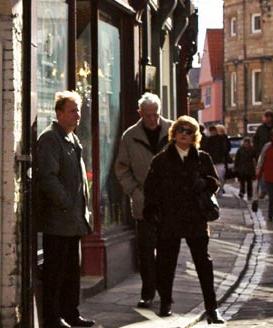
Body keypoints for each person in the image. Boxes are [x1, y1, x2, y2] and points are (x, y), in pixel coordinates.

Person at [142, 115, 227, 324]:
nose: (184, 134)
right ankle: (166, 303)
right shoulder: (161, 160)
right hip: (170, 218)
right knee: (165, 263)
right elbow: (150, 188)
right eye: (181, 130)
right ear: (174, 134)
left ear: (194, 136)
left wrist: (205, 183)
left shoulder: (202, 158)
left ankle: (212, 308)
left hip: (195, 217)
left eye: (189, 131)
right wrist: (152, 211)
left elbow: (215, 182)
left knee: (203, 264)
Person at [33, 91, 95, 328]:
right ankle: (52, 317)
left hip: (74, 221)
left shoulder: (72, 138)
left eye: (78, 110)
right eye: (72, 111)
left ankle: (71, 313)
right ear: (59, 113)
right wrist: (66, 203)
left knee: (71, 271)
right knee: (55, 273)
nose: (77, 115)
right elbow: (47, 177)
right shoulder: (51, 139)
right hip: (58, 221)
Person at [113, 92, 171, 311]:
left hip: (168, 204)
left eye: (156, 114)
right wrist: (134, 191)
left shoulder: (172, 131)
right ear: (140, 113)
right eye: (148, 116)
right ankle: (148, 293)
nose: (153, 119)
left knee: (167, 251)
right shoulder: (130, 136)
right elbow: (121, 168)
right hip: (143, 203)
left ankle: (166, 293)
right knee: (146, 252)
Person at [201, 124, 232, 194]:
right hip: (214, 161)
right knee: (218, 176)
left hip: (219, 160)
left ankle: (219, 189)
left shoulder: (220, 139)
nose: (212, 133)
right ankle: (218, 190)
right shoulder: (209, 140)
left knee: (221, 176)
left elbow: (225, 149)